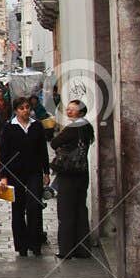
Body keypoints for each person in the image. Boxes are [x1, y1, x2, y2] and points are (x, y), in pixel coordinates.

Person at [0, 96, 51, 257]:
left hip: (34, 171)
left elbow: (43, 150)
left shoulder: (37, 126)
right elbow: (3, 153)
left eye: (27, 107)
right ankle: (21, 245)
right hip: (15, 173)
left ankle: (35, 243)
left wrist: (46, 171)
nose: (25, 111)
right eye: (21, 108)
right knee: (18, 208)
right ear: (16, 110)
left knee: (35, 206)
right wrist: (3, 175)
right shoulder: (9, 128)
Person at [51, 99, 95, 260]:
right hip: (82, 174)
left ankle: (66, 249)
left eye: (73, 109)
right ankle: (82, 249)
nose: (69, 111)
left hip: (68, 174)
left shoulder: (72, 128)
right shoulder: (87, 127)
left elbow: (54, 143)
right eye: (68, 109)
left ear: (81, 112)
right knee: (80, 210)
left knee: (66, 212)